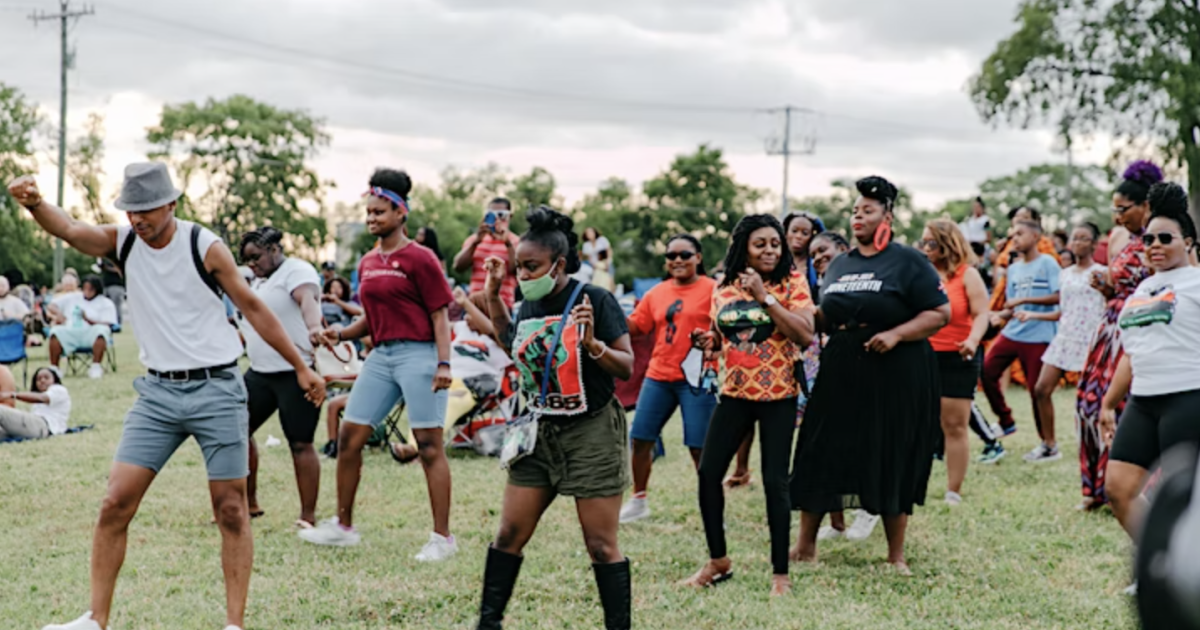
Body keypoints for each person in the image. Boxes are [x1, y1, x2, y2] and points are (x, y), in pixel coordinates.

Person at [9, 162, 325, 630]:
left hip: (217, 387)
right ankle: (96, 619)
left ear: (171, 204)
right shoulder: (126, 242)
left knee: (232, 510)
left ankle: (233, 625)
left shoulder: (205, 245)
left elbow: (254, 307)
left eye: (147, 210)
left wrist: (300, 367)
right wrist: (35, 204)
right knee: (115, 502)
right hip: (157, 393)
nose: (138, 219)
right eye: (131, 209)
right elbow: (73, 229)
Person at [475, 206, 634, 630]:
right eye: (519, 268)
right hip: (537, 432)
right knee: (508, 535)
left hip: (591, 432)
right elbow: (515, 345)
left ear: (559, 264)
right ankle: (487, 624)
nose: (523, 275)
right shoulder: (526, 303)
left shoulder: (594, 299)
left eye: (532, 267)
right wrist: (493, 296)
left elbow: (626, 366)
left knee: (601, 545)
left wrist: (592, 344)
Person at [791, 176, 950, 576]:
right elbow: (828, 316)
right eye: (855, 210)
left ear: (888, 216)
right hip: (843, 364)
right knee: (820, 445)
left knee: (891, 451)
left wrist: (897, 334)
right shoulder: (840, 264)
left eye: (868, 210)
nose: (858, 216)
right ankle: (805, 546)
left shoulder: (908, 261)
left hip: (897, 367)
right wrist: (809, 315)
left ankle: (895, 555)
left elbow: (939, 312)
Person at [303, 168, 457, 563]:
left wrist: (443, 362)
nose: (372, 218)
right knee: (350, 438)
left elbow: (440, 315)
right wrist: (340, 334)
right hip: (381, 356)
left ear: (401, 213)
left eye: (380, 212)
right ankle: (343, 527)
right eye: (369, 212)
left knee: (428, 446)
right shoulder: (368, 262)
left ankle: (442, 539)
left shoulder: (420, 259)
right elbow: (370, 320)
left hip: (420, 355)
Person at [681, 214, 815, 597]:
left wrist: (765, 297)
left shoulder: (793, 282)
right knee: (709, 474)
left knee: (775, 482)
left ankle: (780, 575)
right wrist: (710, 341)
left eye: (775, 243)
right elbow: (730, 336)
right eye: (761, 244)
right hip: (735, 395)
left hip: (778, 396)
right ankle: (718, 561)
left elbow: (804, 335)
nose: (770, 250)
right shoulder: (723, 287)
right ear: (743, 248)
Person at [1102, 182, 1200, 550]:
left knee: (1184, 501)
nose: (1155, 245)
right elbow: (1133, 351)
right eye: (1148, 239)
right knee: (1119, 489)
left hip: (1188, 398)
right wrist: (1109, 403)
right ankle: (1160, 564)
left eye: (1165, 237)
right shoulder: (1142, 291)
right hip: (1143, 401)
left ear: (1188, 242)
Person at [1077, 161, 1160, 509]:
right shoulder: (1126, 241)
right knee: (1088, 404)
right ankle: (1096, 488)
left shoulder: (1159, 241)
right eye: (1114, 209)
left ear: (1145, 207)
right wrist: (1107, 288)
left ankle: (1130, 489)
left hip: (1140, 330)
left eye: (1123, 209)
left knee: (1127, 407)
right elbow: (1120, 286)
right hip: (1111, 329)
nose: (1117, 216)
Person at [618, 234, 717, 524]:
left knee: (699, 445)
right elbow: (637, 326)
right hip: (659, 374)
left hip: (696, 377)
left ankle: (711, 505)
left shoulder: (714, 289)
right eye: (671, 255)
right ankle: (638, 500)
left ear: (698, 257)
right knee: (640, 438)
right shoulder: (656, 293)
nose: (677, 260)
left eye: (684, 254)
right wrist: (610, 313)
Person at [237, 227, 326, 528]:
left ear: (275, 248)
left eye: (256, 257)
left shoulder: (297, 270)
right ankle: (248, 504)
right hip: (260, 373)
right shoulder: (259, 282)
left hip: (296, 372)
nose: (252, 264)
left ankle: (308, 516)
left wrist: (314, 328)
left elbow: (307, 300)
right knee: (237, 430)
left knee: (300, 443)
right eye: (247, 260)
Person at [919, 220, 992, 505]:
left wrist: (973, 340)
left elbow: (982, 314)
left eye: (932, 243)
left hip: (958, 355)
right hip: (923, 355)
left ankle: (953, 491)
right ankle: (915, 483)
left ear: (948, 244)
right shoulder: (922, 274)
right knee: (919, 423)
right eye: (923, 242)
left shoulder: (967, 275)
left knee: (954, 424)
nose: (925, 249)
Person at [980, 220, 1062, 462]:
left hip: (1039, 334)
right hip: (1014, 331)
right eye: (1012, 234)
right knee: (986, 371)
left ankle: (1049, 444)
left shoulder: (1047, 263)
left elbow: (1059, 296)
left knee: (1038, 391)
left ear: (1036, 236)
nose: (1014, 238)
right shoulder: (1014, 268)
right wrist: (998, 317)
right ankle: (1006, 420)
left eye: (1020, 233)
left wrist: (1017, 303)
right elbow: (1013, 307)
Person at [1029, 224, 1107, 460]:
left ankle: (1100, 443)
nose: (1077, 243)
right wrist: (1031, 313)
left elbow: (1111, 300)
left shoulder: (1102, 272)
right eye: (1075, 238)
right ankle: (1049, 445)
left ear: (1094, 244)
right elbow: (1062, 310)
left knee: (1090, 399)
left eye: (1084, 239)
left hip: (1090, 339)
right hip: (1065, 337)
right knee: (1041, 389)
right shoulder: (1065, 274)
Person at [47, 275, 117, 380]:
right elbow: (51, 305)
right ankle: (55, 368)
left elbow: (108, 324)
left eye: (90, 289)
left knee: (102, 331)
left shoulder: (105, 303)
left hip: (91, 334)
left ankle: (96, 367)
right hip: (72, 331)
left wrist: (88, 319)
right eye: (85, 288)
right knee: (55, 331)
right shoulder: (73, 297)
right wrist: (59, 315)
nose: (87, 292)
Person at [455, 197, 520, 308]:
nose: (496, 219)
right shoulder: (474, 240)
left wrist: (508, 244)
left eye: (501, 214)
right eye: (491, 214)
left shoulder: (516, 242)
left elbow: (516, 270)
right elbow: (458, 267)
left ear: (510, 216)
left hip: (503, 305)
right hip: (475, 304)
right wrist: (476, 243)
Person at [0, 366, 70, 441]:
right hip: (33, 427)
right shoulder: (38, 398)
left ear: (54, 379)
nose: (42, 381)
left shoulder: (59, 390)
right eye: (38, 379)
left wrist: (13, 394)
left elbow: (42, 398)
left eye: (46, 378)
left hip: (43, 427)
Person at [98, 258, 125, 328]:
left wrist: (107, 267)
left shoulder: (119, 257)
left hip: (116, 284)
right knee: (105, 306)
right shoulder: (104, 258)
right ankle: (107, 322)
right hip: (106, 284)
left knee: (116, 306)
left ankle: (117, 324)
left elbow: (119, 269)